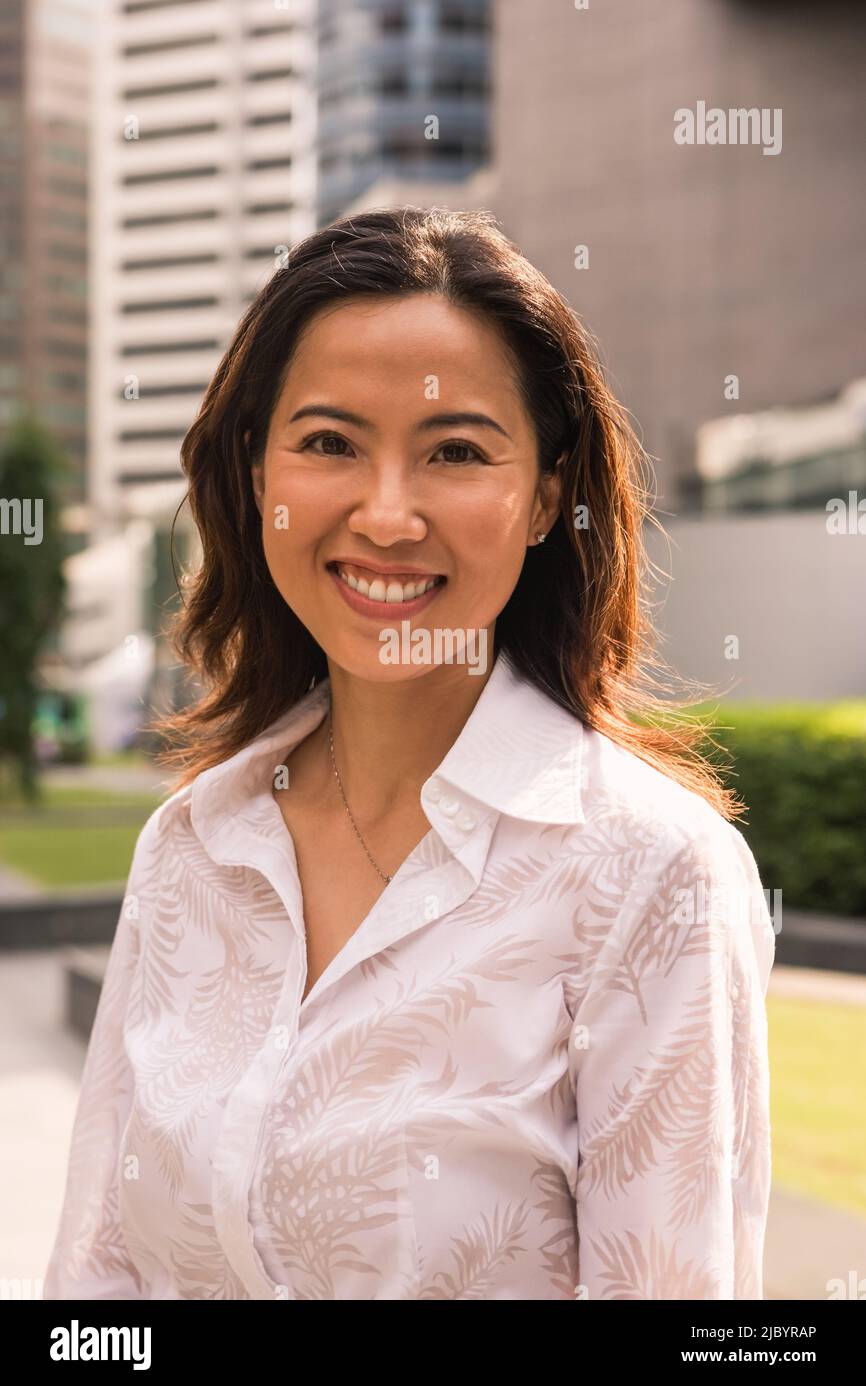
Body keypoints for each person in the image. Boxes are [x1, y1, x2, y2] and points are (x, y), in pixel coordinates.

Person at [44, 206, 775, 1300]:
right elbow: (96, 1286)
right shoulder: (190, 848)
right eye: (330, 442)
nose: (386, 515)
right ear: (257, 473)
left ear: (544, 496)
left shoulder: (652, 879)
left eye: (455, 453)